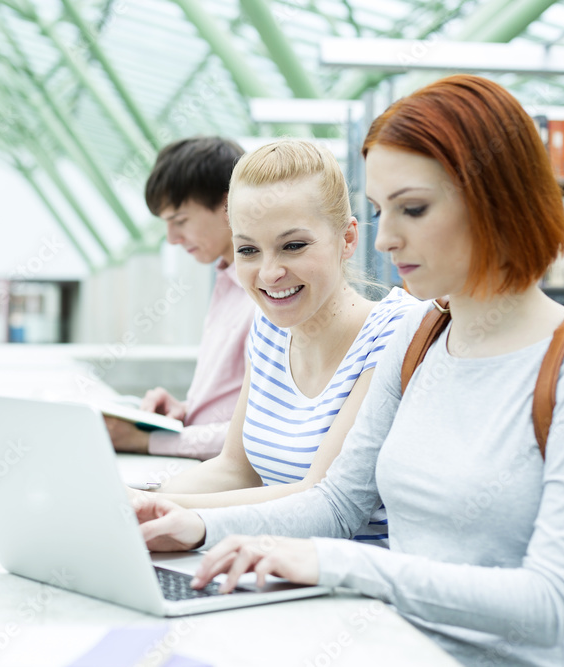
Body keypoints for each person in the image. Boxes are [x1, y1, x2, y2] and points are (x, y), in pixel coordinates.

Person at [134, 75, 564, 666]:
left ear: (495, 198)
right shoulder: (418, 332)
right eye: (381, 210)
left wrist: (338, 563)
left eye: (414, 208)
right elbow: (336, 505)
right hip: (388, 644)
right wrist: (194, 527)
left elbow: (551, 600)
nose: (387, 240)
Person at [139, 139, 416, 545]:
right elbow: (236, 468)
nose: (269, 274)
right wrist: (147, 499)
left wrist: (170, 511)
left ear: (348, 239)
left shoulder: (394, 334)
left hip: (346, 588)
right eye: (248, 250)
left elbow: (321, 498)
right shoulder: (268, 330)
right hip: (269, 569)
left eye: (293, 246)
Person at [104, 137, 254, 460]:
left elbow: (262, 432)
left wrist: (144, 441)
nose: (172, 238)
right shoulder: (227, 282)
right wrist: (185, 412)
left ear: (229, 207)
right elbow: (234, 407)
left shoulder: (267, 298)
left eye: (180, 221)